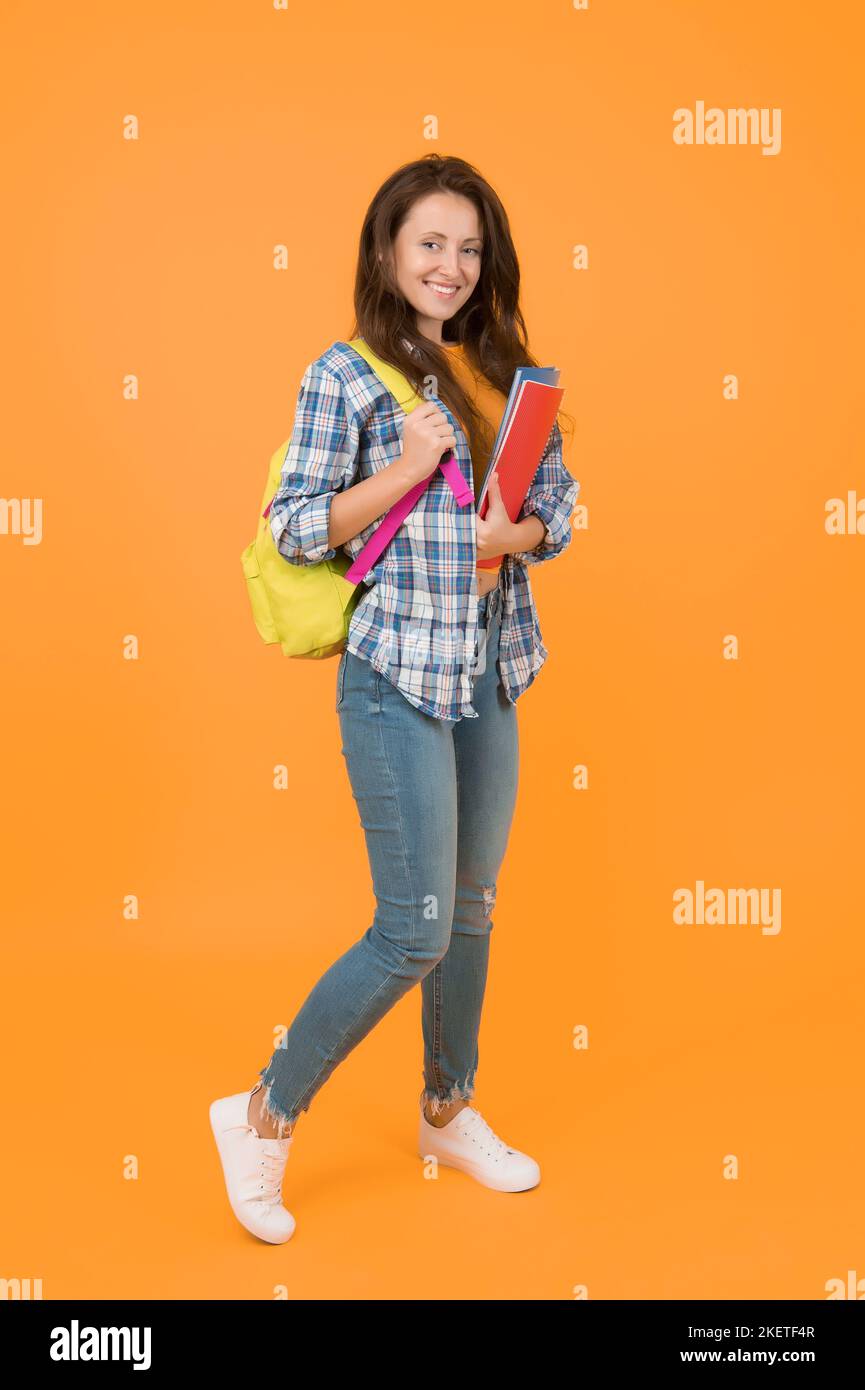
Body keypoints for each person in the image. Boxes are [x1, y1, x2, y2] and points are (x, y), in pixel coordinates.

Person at [210, 153, 580, 1244]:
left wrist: (511, 534)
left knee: (471, 905)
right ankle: (262, 1111)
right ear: (386, 251)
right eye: (429, 243)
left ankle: (445, 1108)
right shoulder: (346, 375)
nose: (451, 266)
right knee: (413, 926)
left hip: (488, 668)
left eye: (469, 248)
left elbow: (556, 506)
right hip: (393, 680)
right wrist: (409, 471)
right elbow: (293, 525)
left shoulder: (507, 372)